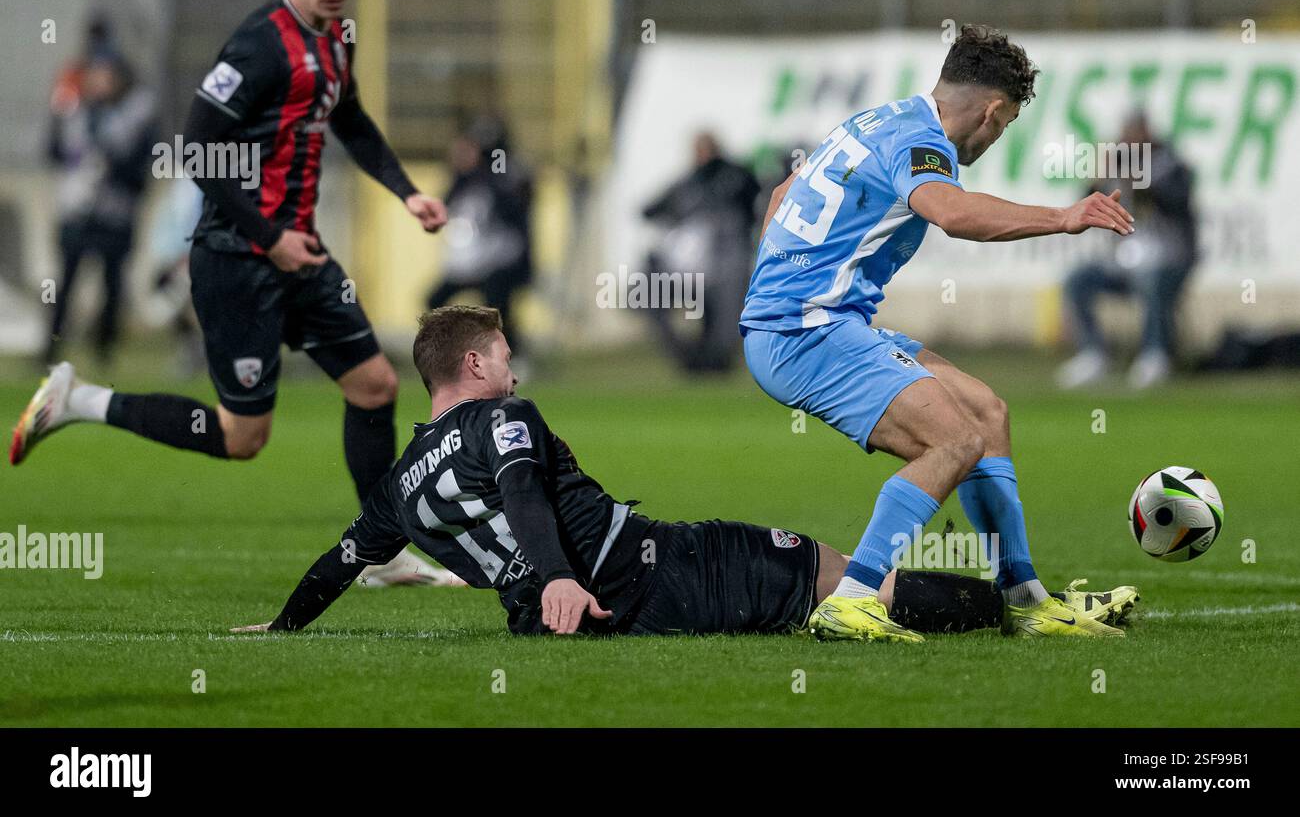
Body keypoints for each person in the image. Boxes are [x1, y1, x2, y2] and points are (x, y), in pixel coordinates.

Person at [11, 0, 451, 587]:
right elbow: (198, 144)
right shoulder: (259, 43)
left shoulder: (339, 37)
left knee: (374, 386)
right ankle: (80, 401)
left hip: (298, 253)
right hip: (237, 257)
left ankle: (380, 552)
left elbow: (353, 119)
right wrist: (267, 235)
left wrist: (406, 192)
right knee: (242, 438)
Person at [231, 305, 1137, 639]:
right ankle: (1021, 619)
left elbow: (342, 561)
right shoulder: (500, 419)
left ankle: (1015, 609)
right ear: (472, 368)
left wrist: (281, 627)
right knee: (830, 575)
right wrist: (554, 574)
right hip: (647, 573)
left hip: (559, 612)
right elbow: (519, 492)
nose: (511, 365)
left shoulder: (398, 481)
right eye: (502, 353)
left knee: (820, 576)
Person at [740, 24, 1138, 641]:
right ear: (992, 109)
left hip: (812, 318)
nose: (995, 137)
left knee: (986, 413)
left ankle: (1026, 597)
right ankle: (852, 597)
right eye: (1002, 127)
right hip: (804, 330)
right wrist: (1064, 216)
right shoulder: (924, 144)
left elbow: (781, 193)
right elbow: (952, 214)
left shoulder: (877, 120)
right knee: (953, 442)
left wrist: (778, 281)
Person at [1057, 112, 1198, 389]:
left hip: (1168, 259)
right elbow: (1083, 204)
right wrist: (1100, 177)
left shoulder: (1171, 166)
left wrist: (1140, 181)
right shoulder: (1117, 166)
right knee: (1078, 279)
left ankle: (1154, 354)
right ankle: (1093, 353)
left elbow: (1177, 202)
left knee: (1151, 281)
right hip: (1124, 261)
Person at [44, 46, 157, 367]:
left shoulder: (134, 116)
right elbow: (54, 152)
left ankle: (103, 348)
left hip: (115, 213)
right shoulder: (74, 112)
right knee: (65, 282)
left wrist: (113, 162)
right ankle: (51, 347)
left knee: (112, 283)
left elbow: (141, 170)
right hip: (78, 210)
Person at [641, 132, 760, 372]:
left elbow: (755, 205)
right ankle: (690, 357)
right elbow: (649, 210)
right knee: (647, 289)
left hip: (727, 265)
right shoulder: (687, 185)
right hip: (691, 268)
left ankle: (715, 360)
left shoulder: (736, 178)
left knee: (724, 323)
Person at [425, 116, 533, 357]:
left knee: (497, 308)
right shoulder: (465, 179)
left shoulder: (507, 174)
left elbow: (513, 208)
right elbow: (446, 204)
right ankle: (452, 355)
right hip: (469, 261)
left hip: (498, 259)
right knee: (435, 301)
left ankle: (511, 355)